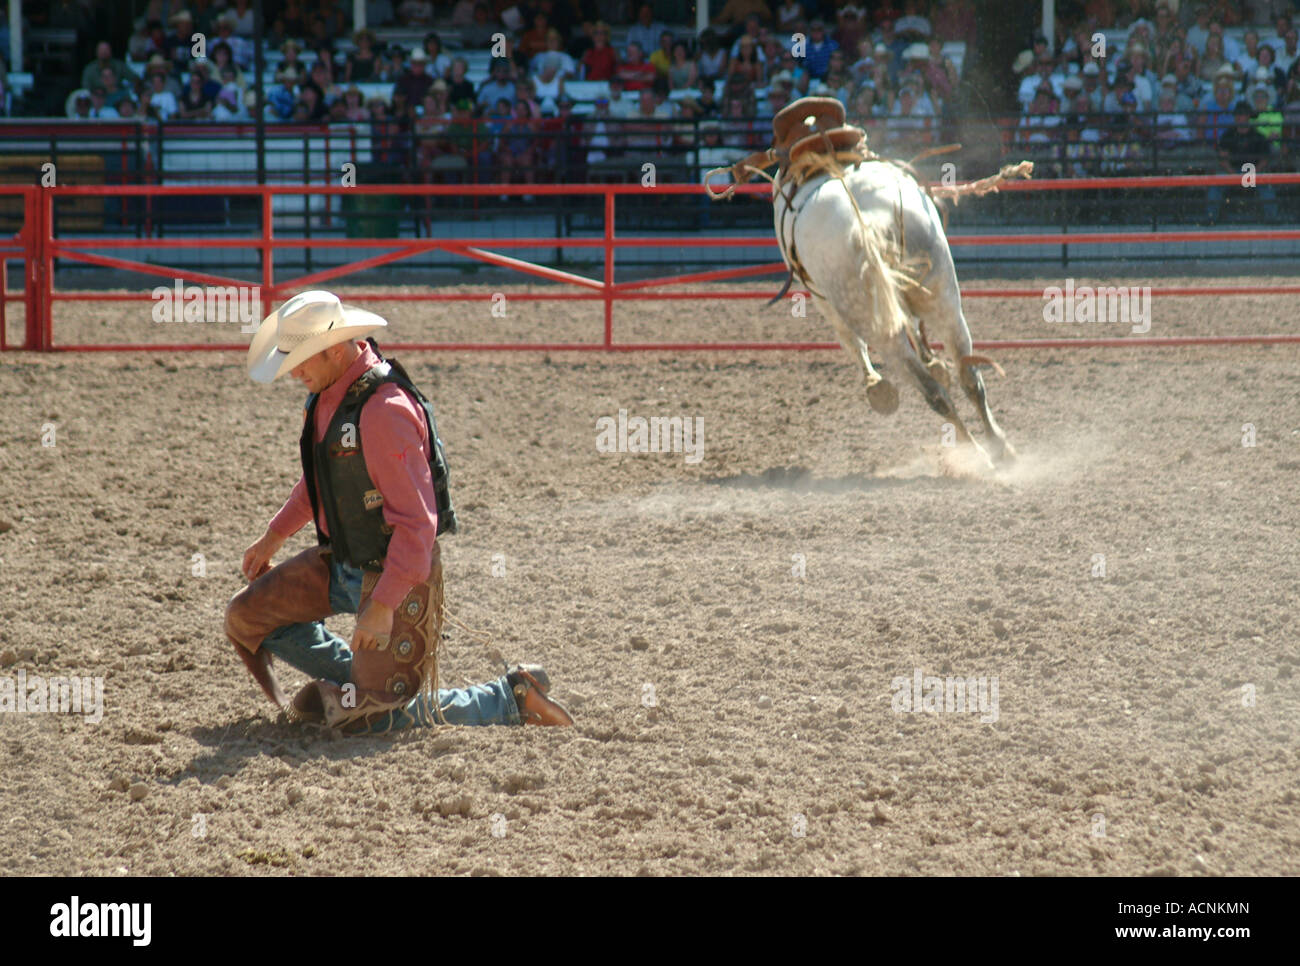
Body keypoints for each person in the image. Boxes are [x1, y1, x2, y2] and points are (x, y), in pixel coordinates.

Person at [228, 292, 574, 733]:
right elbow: (322, 481)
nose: (294, 371)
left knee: (377, 719)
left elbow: (416, 525)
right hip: (344, 561)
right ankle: (362, 683)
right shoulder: (329, 393)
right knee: (246, 617)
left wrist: (383, 604)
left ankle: (509, 699)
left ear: (335, 350)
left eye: (301, 361)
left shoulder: (383, 413)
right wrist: (274, 536)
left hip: (394, 574)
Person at [1206, 100, 1277, 223]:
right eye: (1237, 114)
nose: (1239, 117)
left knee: (1266, 185)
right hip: (1232, 171)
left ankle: (1272, 218)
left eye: (1242, 114)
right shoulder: (1228, 135)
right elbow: (1223, 159)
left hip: (1253, 171)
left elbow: (1264, 159)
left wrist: (1250, 176)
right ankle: (1211, 218)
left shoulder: (1257, 135)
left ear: (1248, 116)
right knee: (1216, 184)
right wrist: (1235, 177)